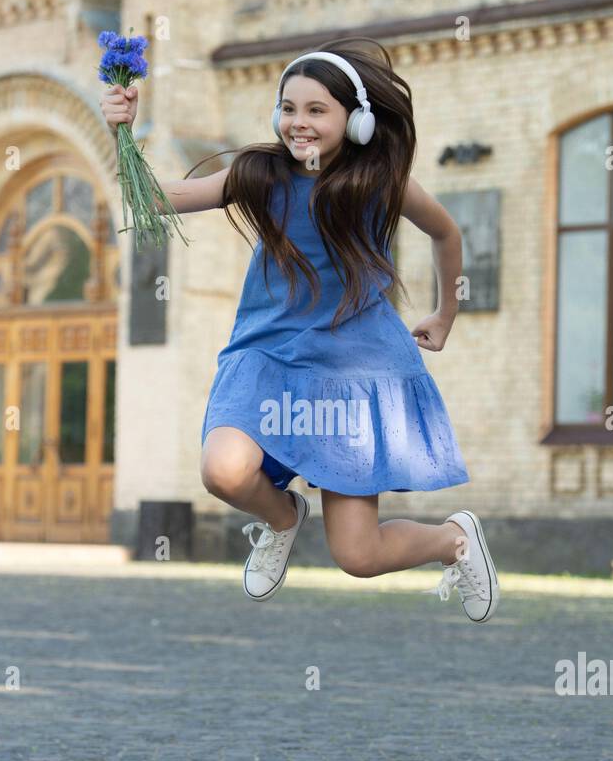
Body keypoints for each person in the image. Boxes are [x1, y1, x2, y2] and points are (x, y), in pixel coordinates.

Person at [100, 36, 499, 620]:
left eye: (316, 110)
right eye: (288, 108)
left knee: (358, 556)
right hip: (266, 358)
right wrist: (122, 133)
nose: (299, 123)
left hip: (352, 371)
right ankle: (284, 518)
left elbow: (446, 232)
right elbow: (152, 201)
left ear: (356, 121)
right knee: (223, 471)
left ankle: (454, 541)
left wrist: (445, 315)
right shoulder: (259, 174)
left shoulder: (380, 182)